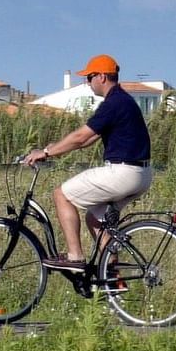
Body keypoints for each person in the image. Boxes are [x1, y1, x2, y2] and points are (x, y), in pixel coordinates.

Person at [20, 54, 153, 271]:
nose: (87, 82)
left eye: (89, 77)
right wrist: (55, 148)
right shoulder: (123, 100)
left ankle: (74, 257)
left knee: (61, 195)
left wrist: (45, 152)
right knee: (95, 219)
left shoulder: (113, 103)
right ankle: (112, 278)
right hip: (141, 175)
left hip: (123, 173)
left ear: (101, 77)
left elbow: (81, 137)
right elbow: (89, 139)